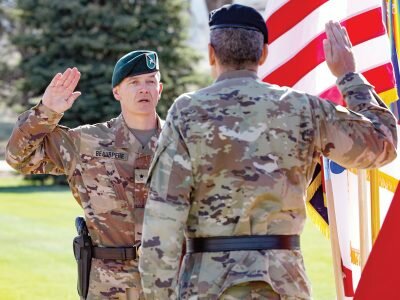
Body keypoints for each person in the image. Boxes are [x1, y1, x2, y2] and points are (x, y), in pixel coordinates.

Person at [138, 4, 398, 300]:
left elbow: (163, 217)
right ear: (262, 55)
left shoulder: (186, 112)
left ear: (212, 53)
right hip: (282, 282)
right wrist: (348, 75)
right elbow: (382, 146)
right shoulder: (301, 108)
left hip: (207, 285)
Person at [6, 50, 164, 299]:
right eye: (134, 82)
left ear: (160, 89)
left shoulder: (179, 143)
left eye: (150, 82)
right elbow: (19, 158)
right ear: (117, 92)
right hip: (107, 287)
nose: (144, 89)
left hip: (168, 283)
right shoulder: (87, 142)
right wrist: (46, 112)